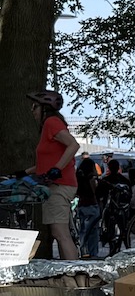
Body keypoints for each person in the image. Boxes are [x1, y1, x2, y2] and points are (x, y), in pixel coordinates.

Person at [23, 90, 80, 260]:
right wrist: (24, 173)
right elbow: (46, 163)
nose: (32, 111)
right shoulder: (51, 125)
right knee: (59, 233)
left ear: (45, 108)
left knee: (61, 233)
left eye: (35, 106)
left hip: (59, 185)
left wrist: (56, 169)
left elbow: (73, 145)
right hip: (57, 184)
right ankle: (68, 272)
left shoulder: (51, 122)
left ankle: (74, 275)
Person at [74, 150, 102, 258]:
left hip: (82, 205)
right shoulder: (91, 178)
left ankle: (82, 251)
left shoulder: (79, 178)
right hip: (92, 204)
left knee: (83, 230)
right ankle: (93, 253)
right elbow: (95, 190)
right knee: (93, 231)